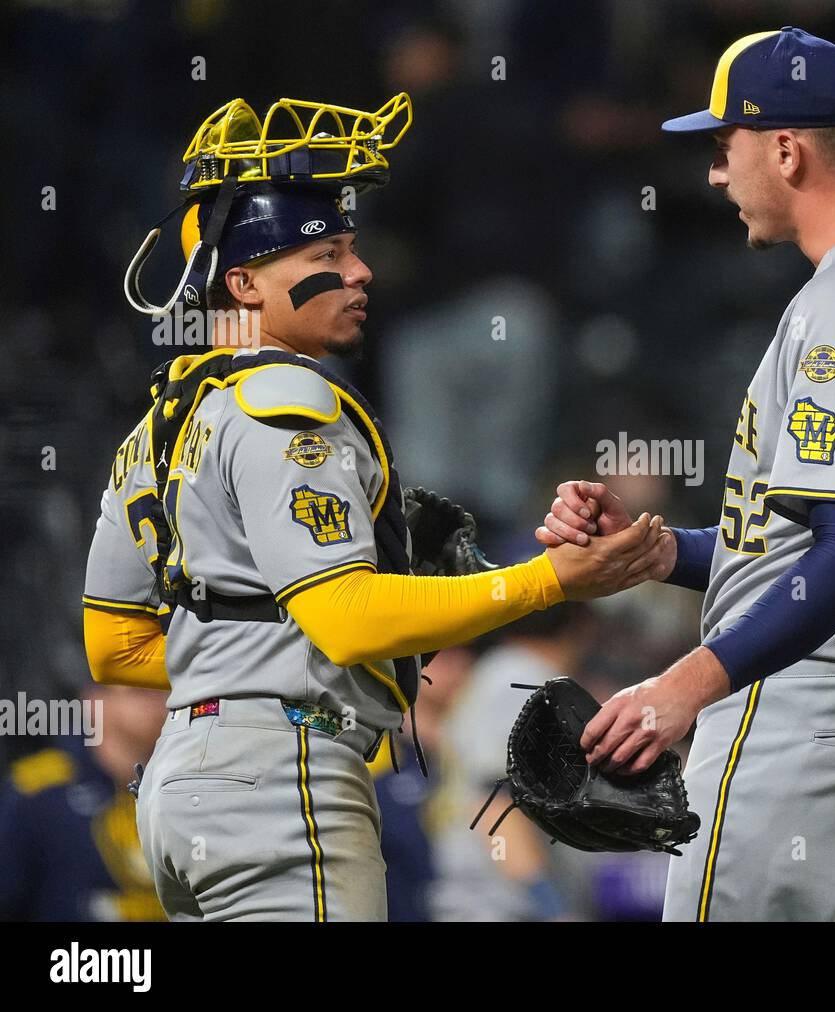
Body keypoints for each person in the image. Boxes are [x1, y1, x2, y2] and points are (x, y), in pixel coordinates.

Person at [82, 95, 670, 922]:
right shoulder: (286, 402)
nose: (359, 273)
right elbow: (351, 618)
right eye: (324, 253)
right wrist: (550, 582)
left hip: (182, 788)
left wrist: (248, 666)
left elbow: (113, 646)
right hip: (282, 780)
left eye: (355, 249)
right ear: (244, 281)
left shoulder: (157, 427)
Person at [538, 28, 835, 921]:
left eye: (722, 145)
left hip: (817, 715)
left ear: (785, 150)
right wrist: (663, 552)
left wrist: (685, 685)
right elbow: (830, 540)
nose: (715, 173)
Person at [0, 685, 168, 921]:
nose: (159, 699)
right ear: (93, 699)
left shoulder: (201, 789)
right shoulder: (38, 794)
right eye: (139, 691)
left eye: (166, 688)